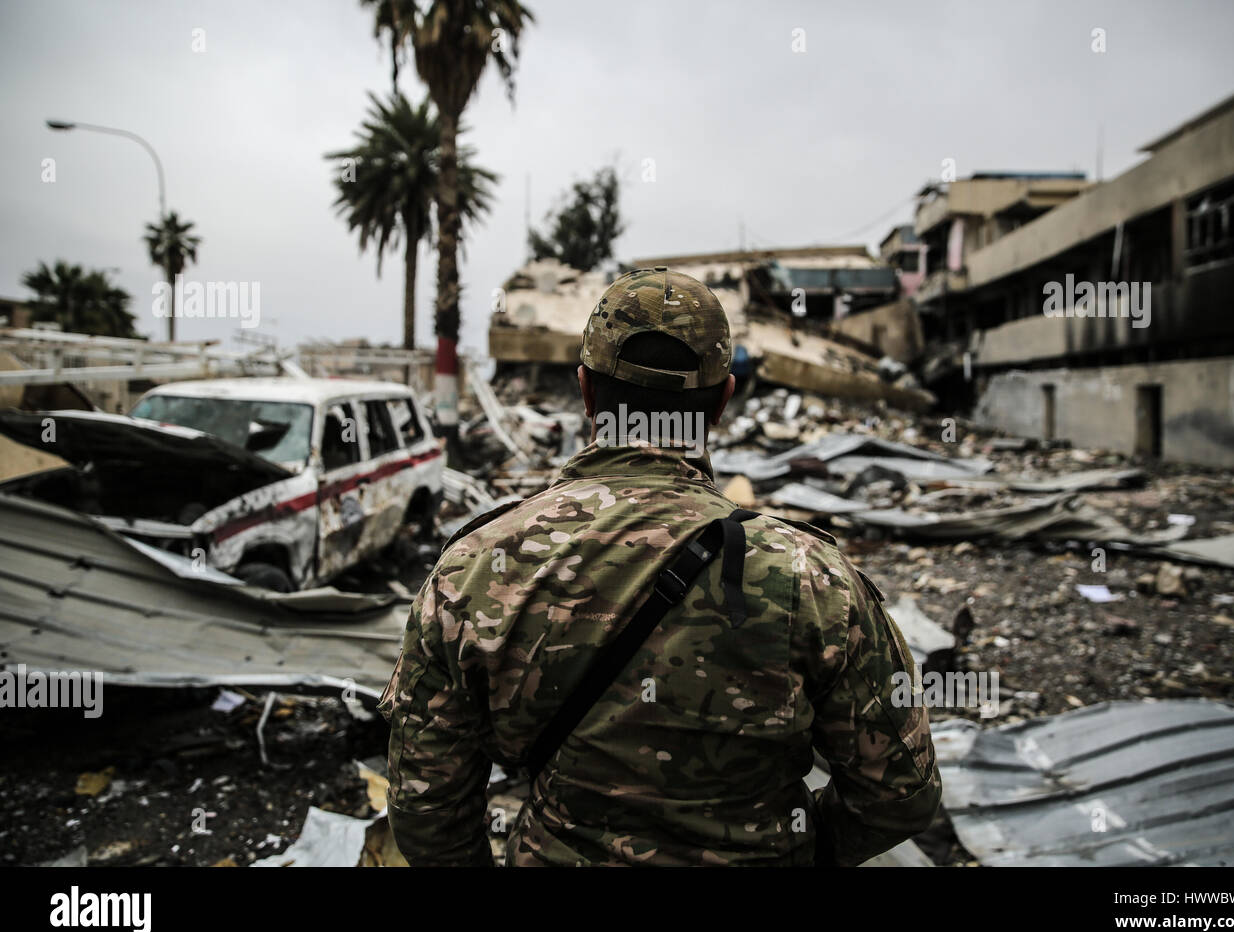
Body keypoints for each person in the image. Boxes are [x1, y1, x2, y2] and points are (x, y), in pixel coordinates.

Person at [379, 266, 941, 866]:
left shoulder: (476, 567)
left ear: (586, 391)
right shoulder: (813, 579)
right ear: (723, 401)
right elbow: (900, 792)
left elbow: (425, 806)